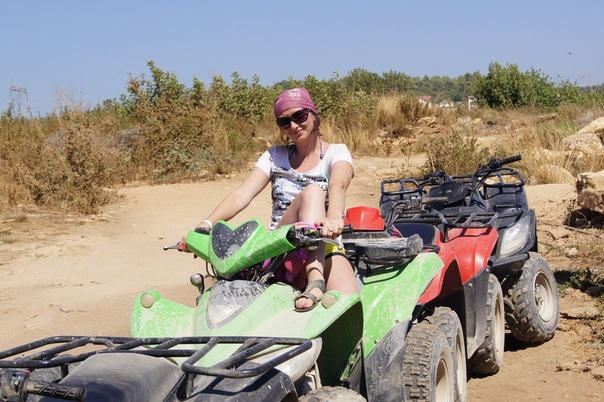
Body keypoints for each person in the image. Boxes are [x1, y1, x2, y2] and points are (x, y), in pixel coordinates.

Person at [183, 87, 358, 311]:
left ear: (313, 114)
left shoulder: (336, 152)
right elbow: (242, 194)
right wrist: (205, 225)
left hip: (325, 245)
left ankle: (316, 278)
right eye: (284, 122)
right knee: (312, 192)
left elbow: (338, 184)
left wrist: (333, 217)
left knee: (350, 308)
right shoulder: (274, 156)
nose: (293, 125)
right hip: (281, 247)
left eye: (300, 116)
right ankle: (316, 281)